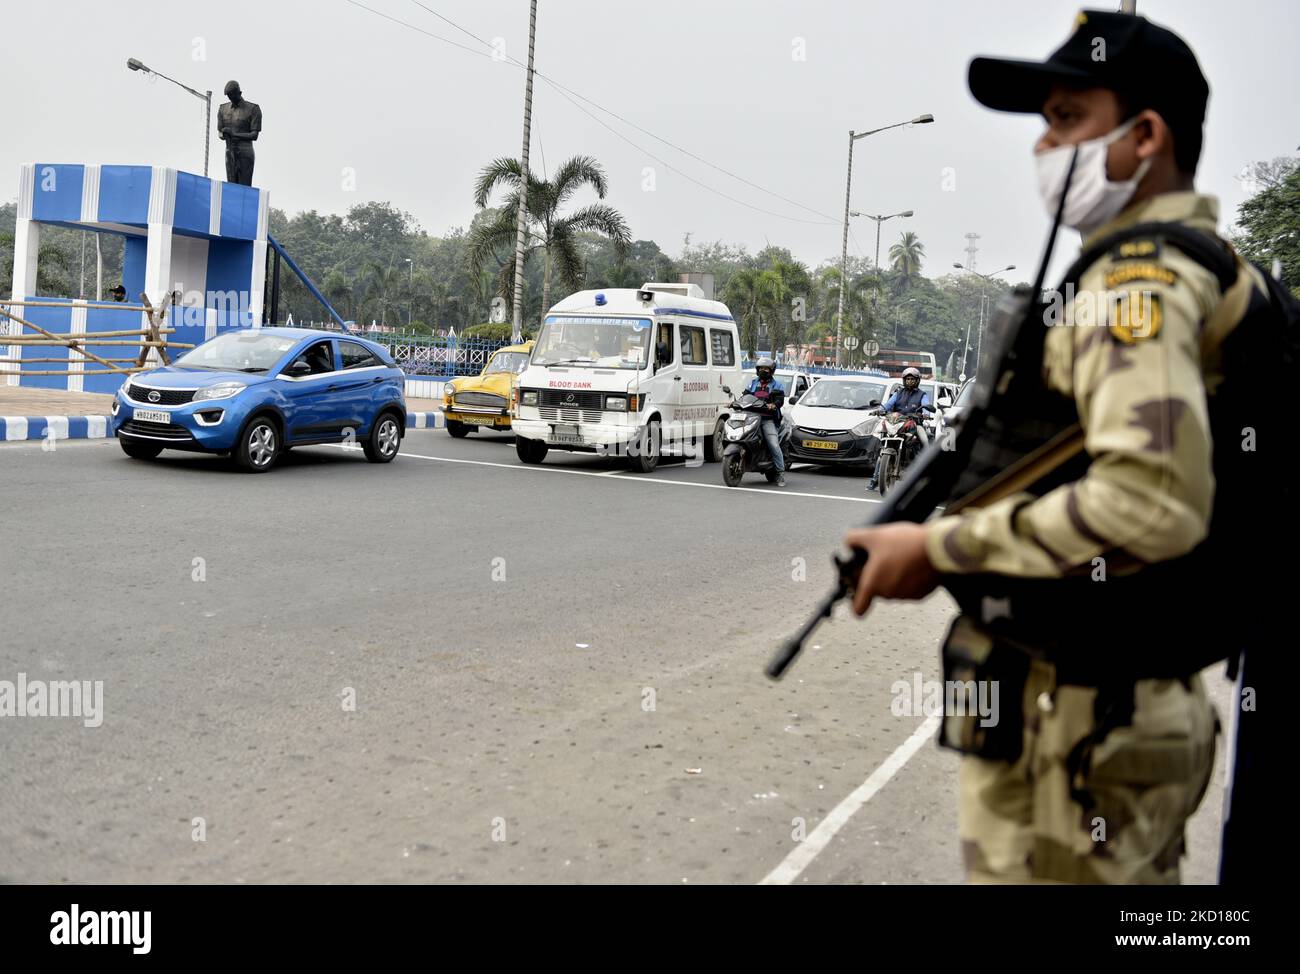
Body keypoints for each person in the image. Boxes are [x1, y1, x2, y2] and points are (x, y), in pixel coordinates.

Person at [841, 9, 1269, 883]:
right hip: (1125, 709)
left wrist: (937, 547)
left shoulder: (1136, 286)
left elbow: (1148, 502)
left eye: (1069, 119)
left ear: (1144, 136)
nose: (1044, 143)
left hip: (1080, 724)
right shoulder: (1214, 267)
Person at [866, 367, 931, 491]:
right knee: (881, 449)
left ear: (917, 380)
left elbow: (926, 405)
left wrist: (926, 413)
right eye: (908, 379)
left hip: (914, 424)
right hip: (897, 423)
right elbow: (888, 405)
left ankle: (925, 474)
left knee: (925, 442)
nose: (910, 381)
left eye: (912, 379)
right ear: (904, 380)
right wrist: (880, 410)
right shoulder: (898, 393)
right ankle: (874, 480)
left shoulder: (922, 394)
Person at [745, 357, 786, 487]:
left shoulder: (777, 385)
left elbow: (780, 400)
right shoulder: (753, 383)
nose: (764, 371)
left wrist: (774, 405)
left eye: (766, 369)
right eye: (761, 368)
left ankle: (780, 473)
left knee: (773, 444)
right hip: (751, 418)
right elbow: (745, 396)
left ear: (771, 371)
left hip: (767, 419)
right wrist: (735, 403)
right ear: (757, 370)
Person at [217, 80, 262, 186]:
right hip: (229, 152)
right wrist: (224, 134)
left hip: (245, 153)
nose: (230, 98)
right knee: (231, 186)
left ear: (239, 93)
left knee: (244, 187)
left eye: (232, 95)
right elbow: (220, 132)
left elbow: (254, 135)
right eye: (228, 96)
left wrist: (234, 134)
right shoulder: (222, 109)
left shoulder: (253, 109)